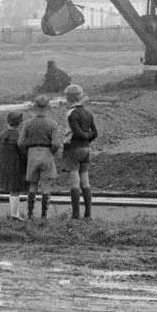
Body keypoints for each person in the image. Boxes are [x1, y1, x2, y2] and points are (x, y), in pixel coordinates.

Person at [17, 94, 61, 224]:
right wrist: (51, 152)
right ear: (48, 106)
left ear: (34, 106)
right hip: (47, 153)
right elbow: (56, 143)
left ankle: (30, 215)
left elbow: (20, 142)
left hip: (32, 154)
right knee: (46, 185)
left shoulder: (28, 123)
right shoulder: (52, 124)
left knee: (32, 185)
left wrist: (28, 152)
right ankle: (44, 217)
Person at [61, 83, 98, 221]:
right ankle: (88, 214)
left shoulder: (71, 113)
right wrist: (87, 140)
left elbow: (76, 132)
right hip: (86, 149)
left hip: (72, 149)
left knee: (75, 184)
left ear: (67, 98)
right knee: (86, 182)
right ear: (80, 96)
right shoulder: (88, 112)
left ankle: (75, 215)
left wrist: (83, 137)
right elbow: (95, 132)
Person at [0, 110, 28, 220]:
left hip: (5, 165)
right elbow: (24, 152)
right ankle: (14, 215)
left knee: (12, 191)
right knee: (15, 191)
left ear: (7, 122)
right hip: (16, 166)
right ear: (20, 123)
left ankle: (15, 213)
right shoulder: (19, 136)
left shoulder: (3, 135)